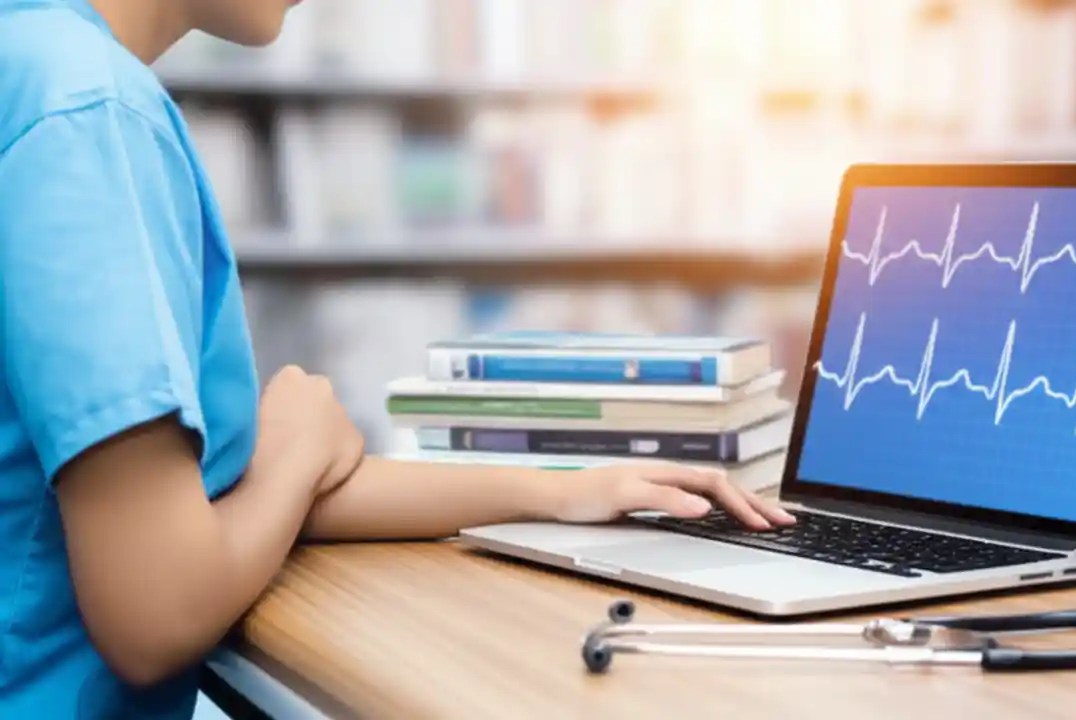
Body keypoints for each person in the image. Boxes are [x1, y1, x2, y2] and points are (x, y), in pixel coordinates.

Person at [0, 1, 795, 717]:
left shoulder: (33, 63)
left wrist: (561, 492)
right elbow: (157, 612)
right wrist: (296, 452)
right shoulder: (88, 114)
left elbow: (195, 506)